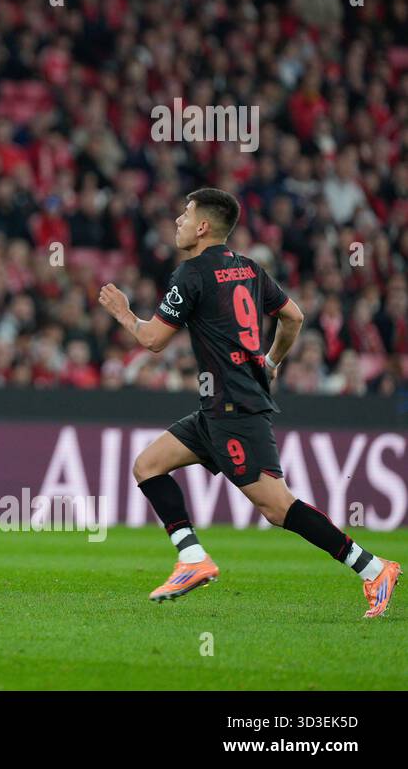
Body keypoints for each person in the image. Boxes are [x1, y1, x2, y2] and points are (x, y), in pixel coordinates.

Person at [99, 188, 399, 617]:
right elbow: (293, 316)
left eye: (185, 215)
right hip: (217, 406)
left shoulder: (190, 274)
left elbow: (152, 340)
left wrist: (124, 313)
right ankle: (191, 559)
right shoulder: (249, 268)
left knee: (277, 507)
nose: (178, 222)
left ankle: (372, 568)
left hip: (233, 409)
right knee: (148, 465)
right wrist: (271, 360)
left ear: (203, 226)